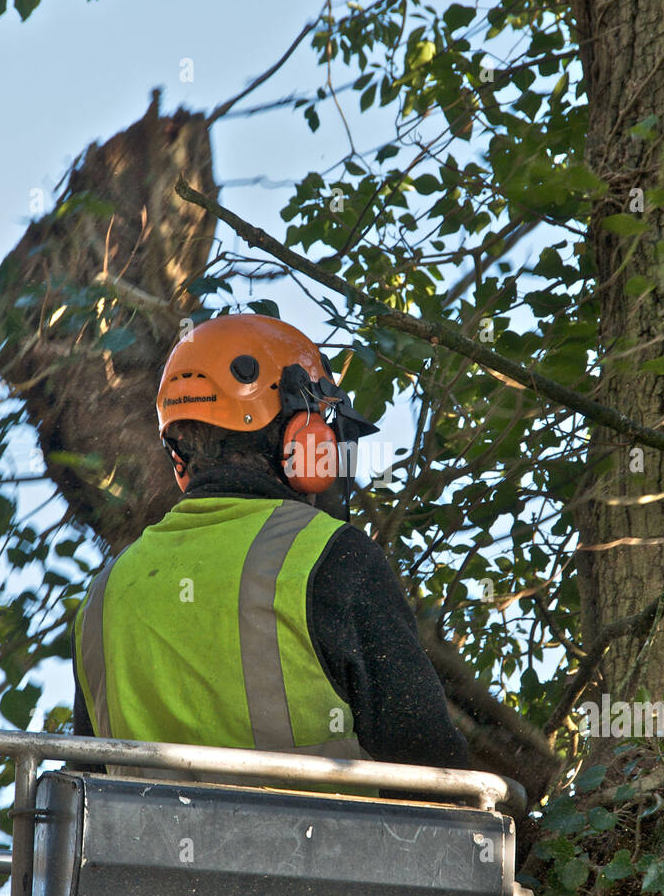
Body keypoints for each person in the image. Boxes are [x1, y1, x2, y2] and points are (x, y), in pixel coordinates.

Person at [71, 313, 471, 786]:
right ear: (303, 437)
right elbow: (431, 766)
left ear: (180, 455)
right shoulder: (332, 555)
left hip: (131, 859)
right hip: (324, 853)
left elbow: (86, 786)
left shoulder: (105, 593)